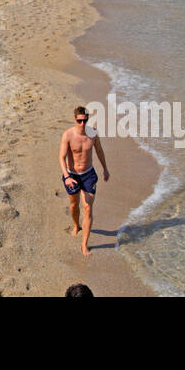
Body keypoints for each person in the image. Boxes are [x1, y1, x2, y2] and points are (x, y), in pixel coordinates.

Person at [59, 105, 109, 257]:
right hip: (72, 176)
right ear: (75, 119)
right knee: (74, 205)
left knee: (88, 207)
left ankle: (84, 244)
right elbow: (61, 157)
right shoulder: (68, 135)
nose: (82, 124)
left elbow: (99, 151)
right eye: (80, 121)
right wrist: (67, 176)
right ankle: (76, 225)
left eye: (85, 121)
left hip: (88, 175)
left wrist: (105, 169)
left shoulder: (93, 134)